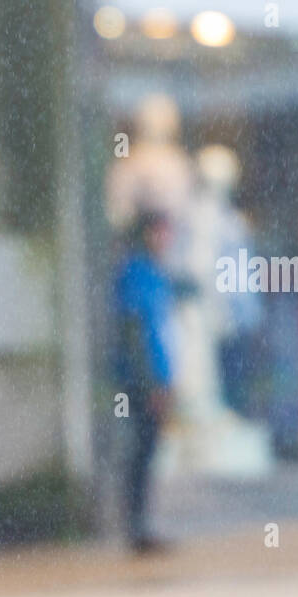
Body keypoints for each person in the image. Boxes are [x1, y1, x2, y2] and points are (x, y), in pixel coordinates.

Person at [113, 211, 177, 554]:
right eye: (160, 232)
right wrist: (149, 382)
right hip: (142, 383)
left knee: (148, 453)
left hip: (156, 380)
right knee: (140, 452)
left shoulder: (154, 273)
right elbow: (135, 331)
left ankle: (143, 523)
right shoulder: (137, 273)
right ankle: (136, 525)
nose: (166, 239)